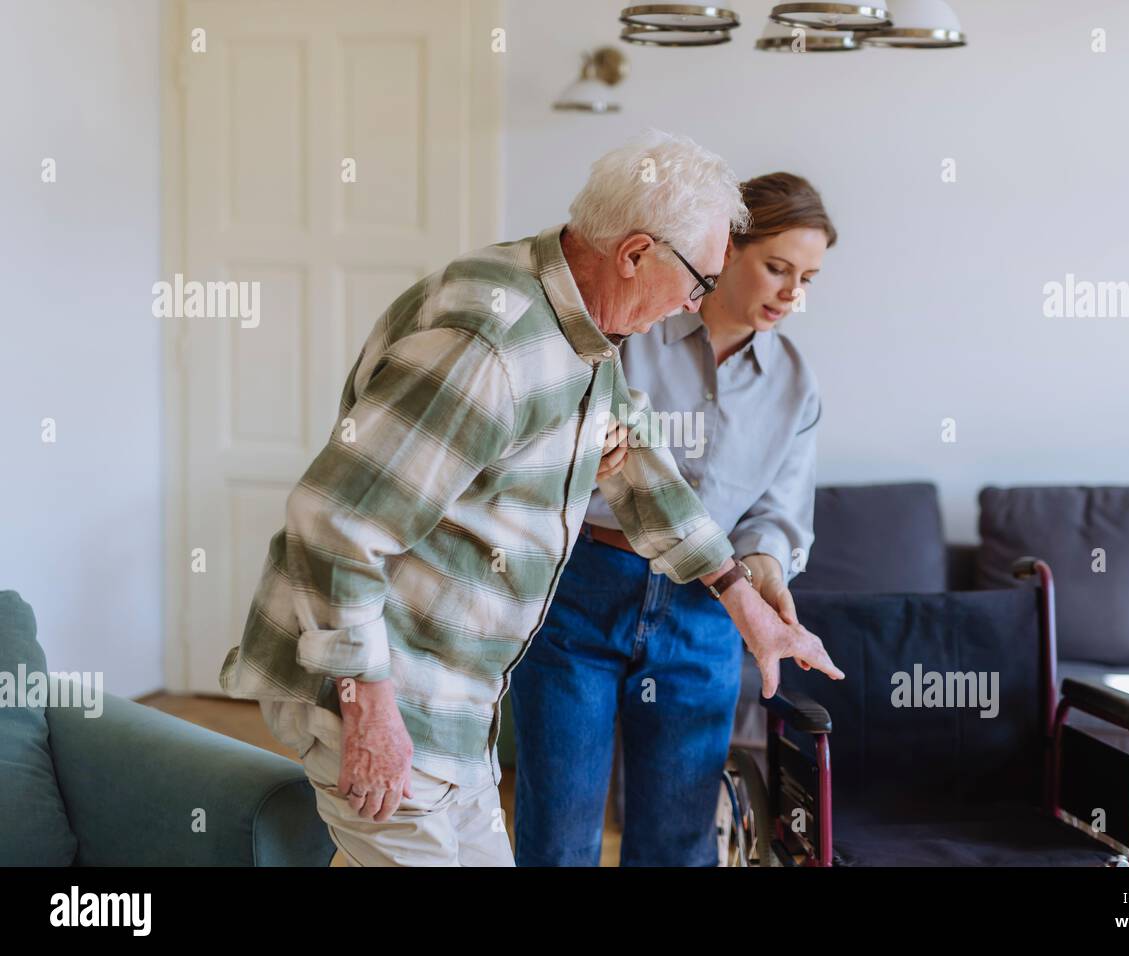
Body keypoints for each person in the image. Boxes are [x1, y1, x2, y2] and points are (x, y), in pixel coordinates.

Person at [217, 132, 843, 866]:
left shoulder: (580, 321)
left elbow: (641, 467)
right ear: (636, 253)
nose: (693, 303)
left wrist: (745, 603)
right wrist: (369, 710)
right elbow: (335, 525)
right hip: (389, 692)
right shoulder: (494, 344)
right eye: (700, 280)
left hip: (457, 708)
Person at [511, 171, 837, 866]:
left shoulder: (796, 386)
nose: (792, 293)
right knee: (559, 829)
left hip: (705, 615)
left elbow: (779, 513)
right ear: (724, 249)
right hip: (582, 590)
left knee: (679, 842)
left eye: (807, 277)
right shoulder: (630, 322)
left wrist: (768, 575)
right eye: (777, 268)